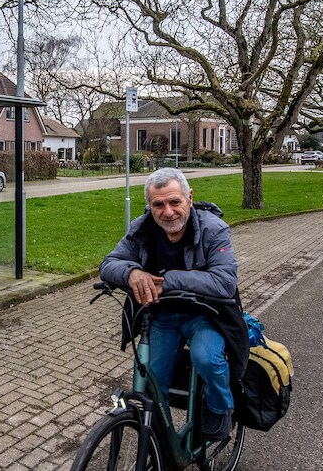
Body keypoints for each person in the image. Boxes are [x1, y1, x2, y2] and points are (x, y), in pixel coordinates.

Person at [99, 167, 245, 440]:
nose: (168, 212)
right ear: (150, 206)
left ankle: (220, 407)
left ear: (189, 197)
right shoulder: (142, 229)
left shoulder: (214, 230)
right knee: (151, 380)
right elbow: (108, 264)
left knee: (206, 358)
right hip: (162, 317)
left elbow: (224, 283)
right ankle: (162, 439)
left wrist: (169, 281)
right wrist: (132, 273)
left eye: (175, 202)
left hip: (206, 316)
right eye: (159, 204)